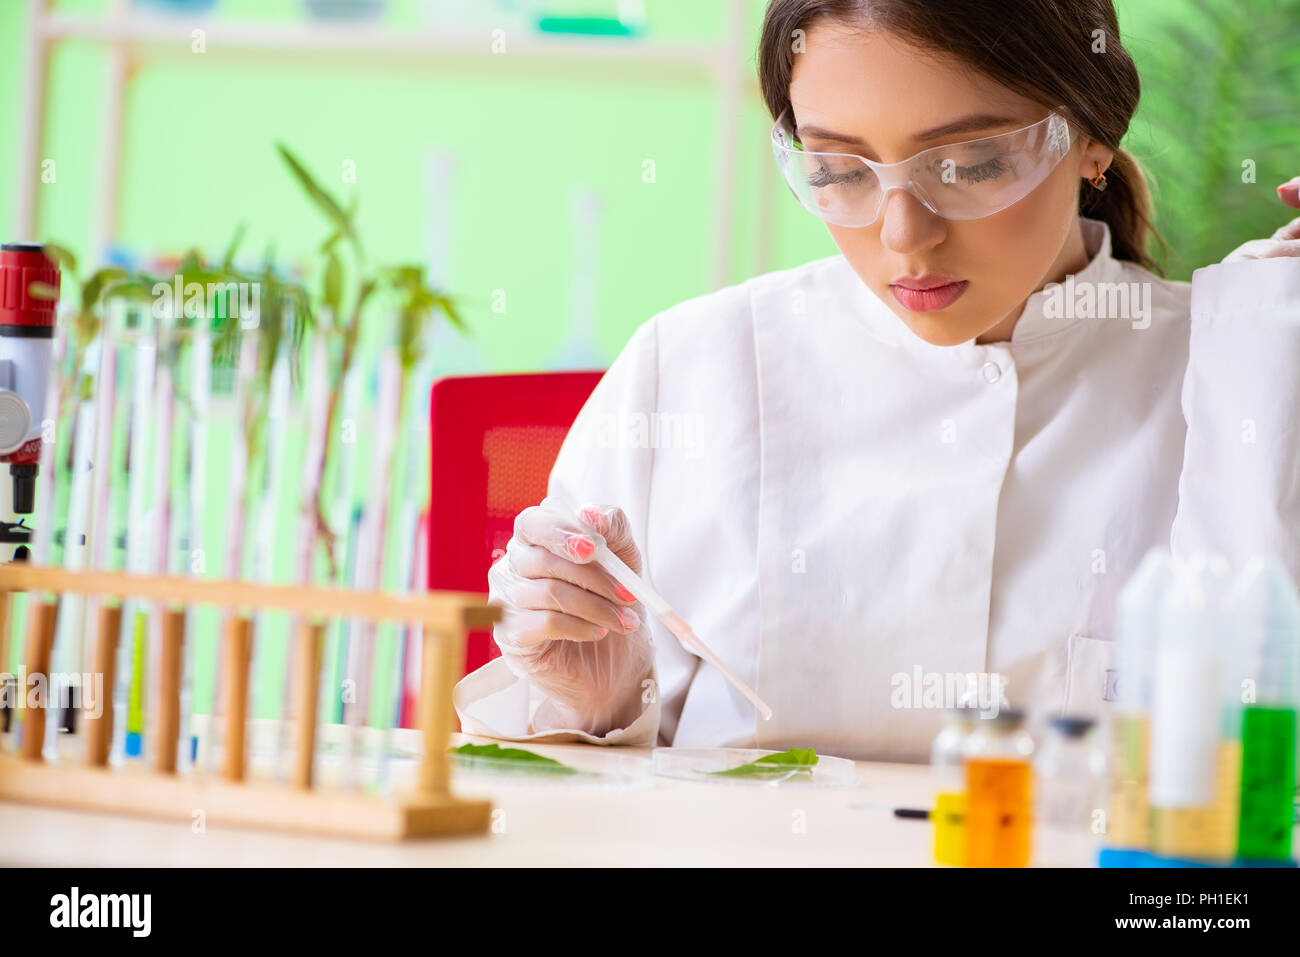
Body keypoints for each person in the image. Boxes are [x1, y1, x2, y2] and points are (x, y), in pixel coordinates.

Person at [454, 0, 1300, 761]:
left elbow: (1259, 753)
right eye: (839, 171)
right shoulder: (694, 368)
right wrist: (600, 705)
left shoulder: (1239, 372)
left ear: (1091, 140)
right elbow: (572, 800)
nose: (904, 235)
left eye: (968, 164)